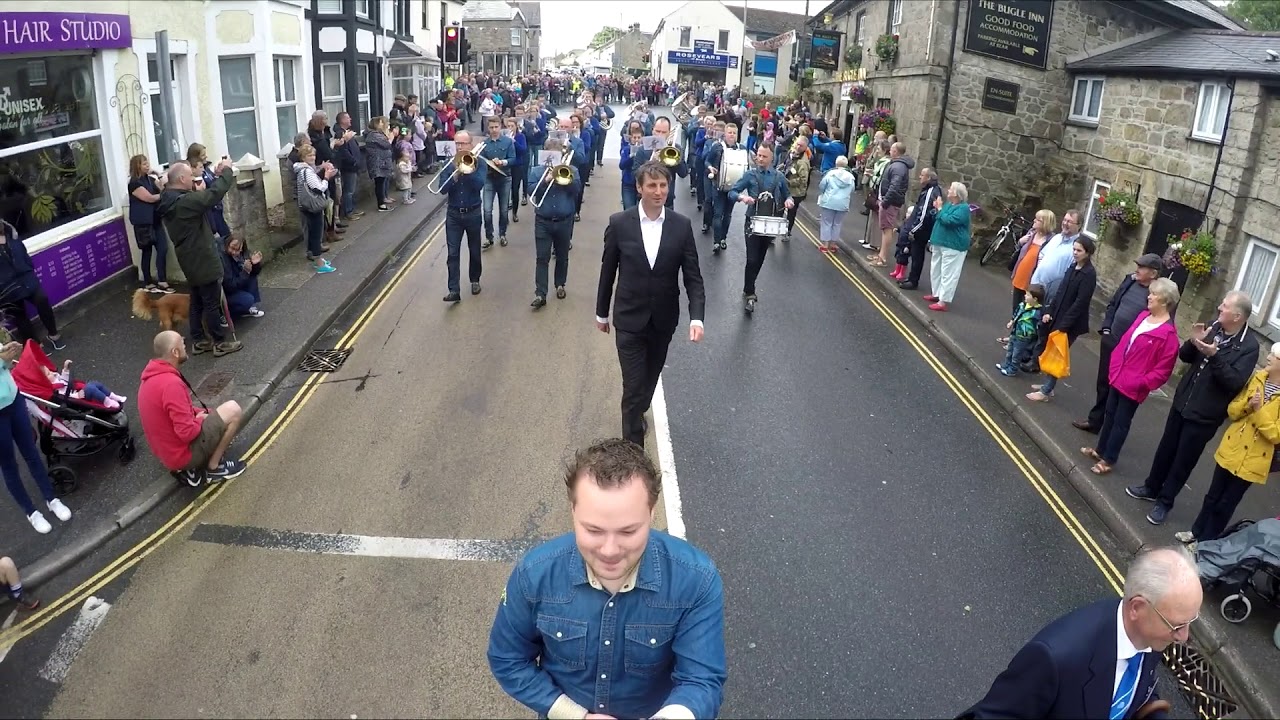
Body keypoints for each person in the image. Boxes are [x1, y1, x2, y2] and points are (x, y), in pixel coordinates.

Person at [487, 439, 726, 720]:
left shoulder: (696, 579)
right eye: (593, 530)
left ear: (651, 513)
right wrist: (572, 714)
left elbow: (701, 679)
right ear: (573, 511)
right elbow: (508, 658)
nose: (610, 550)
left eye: (628, 532)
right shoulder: (534, 573)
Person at [960, 545, 1199, 720]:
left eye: (1191, 622)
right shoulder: (1054, 658)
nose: (1183, 636)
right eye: (1177, 626)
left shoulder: (1152, 638)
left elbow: (1139, 688)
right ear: (1137, 608)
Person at [1126, 291, 1260, 526]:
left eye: (1224, 306)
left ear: (1237, 316)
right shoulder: (1213, 326)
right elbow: (1185, 356)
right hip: (1183, 400)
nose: (1219, 308)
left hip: (1205, 414)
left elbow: (1234, 382)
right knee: (1166, 448)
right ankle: (1151, 487)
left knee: (1183, 460)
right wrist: (1192, 341)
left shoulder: (1249, 347)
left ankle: (1165, 502)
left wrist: (1215, 356)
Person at [596, 162, 706, 448]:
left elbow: (693, 277)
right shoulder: (620, 223)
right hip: (629, 321)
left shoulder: (681, 226)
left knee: (647, 385)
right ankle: (632, 457)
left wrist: (697, 318)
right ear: (639, 188)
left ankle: (638, 411)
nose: (659, 192)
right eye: (652, 186)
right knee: (632, 389)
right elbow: (608, 272)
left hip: (663, 321)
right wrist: (601, 312)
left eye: (663, 186)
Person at [1177, 342, 1280, 544]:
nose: (1267, 357)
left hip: (1253, 459)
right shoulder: (1257, 378)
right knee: (1212, 497)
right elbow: (1233, 410)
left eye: (1273, 355)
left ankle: (1206, 544)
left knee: (1226, 504)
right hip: (1233, 447)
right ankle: (1196, 532)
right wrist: (1247, 405)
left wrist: (1258, 411)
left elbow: (1276, 434)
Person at [1084, 278, 1181, 475]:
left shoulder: (1168, 335)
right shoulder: (1143, 316)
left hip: (1133, 386)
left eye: (1154, 294)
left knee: (1121, 422)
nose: (1149, 296)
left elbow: (1162, 371)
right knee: (1109, 414)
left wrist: (1141, 383)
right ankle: (1100, 450)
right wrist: (1114, 365)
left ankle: (1109, 459)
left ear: (1164, 301)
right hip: (1118, 376)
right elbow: (1125, 342)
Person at [158, 159, 243, 357]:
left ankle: (199, 341)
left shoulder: (169, 199)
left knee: (197, 299)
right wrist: (227, 172)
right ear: (181, 179)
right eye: (190, 177)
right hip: (201, 257)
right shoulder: (184, 203)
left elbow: (202, 196)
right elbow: (212, 196)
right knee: (211, 302)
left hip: (188, 258)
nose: (194, 180)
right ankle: (219, 343)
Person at [137, 330, 245, 484]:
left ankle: (191, 471)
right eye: (182, 343)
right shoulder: (171, 384)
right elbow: (187, 433)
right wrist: (201, 420)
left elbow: (180, 412)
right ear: (175, 352)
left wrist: (205, 414)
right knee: (233, 410)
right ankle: (214, 469)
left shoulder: (151, 379)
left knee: (213, 415)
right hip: (182, 456)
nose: (185, 345)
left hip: (168, 454)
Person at [1073, 254, 1164, 434]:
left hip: (1131, 351)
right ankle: (1095, 421)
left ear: (1153, 273)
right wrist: (1106, 329)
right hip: (1111, 339)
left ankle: (1109, 428)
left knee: (1118, 389)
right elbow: (1113, 304)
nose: (1137, 269)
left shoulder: (1157, 295)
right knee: (1103, 382)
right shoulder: (1129, 281)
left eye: (1142, 267)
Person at [0, 337, 70, 534]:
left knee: (31, 452)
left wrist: (8, 357)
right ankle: (31, 512)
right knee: (9, 466)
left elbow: (4, 367)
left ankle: (51, 499)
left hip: (13, 401)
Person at [1027, 236, 1097, 400]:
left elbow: (1081, 303)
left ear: (1088, 253)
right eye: (1074, 249)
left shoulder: (1089, 274)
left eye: (1079, 250)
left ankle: (1045, 391)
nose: (1075, 253)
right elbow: (1060, 292)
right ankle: (1047, 386)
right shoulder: (1073, 267)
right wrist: (1049, 311)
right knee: (1050, 350)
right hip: (1058, 315)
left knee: (1057, 355)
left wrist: (1064, 325)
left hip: (1070, 323)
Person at [727, 145, 793, 315]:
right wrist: (743, 197)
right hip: (752, 222)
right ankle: (750, 292)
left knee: (760, 259)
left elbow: (788, 195)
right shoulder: (750, 174)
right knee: (752, 258)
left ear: (772, 158)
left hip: (770, 222)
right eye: (758, 155)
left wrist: (789, 201)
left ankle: (749, 285)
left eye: (764, 156)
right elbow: (732, 192)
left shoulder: (779, 177)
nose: (760, 159)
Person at [528, 138, 583, 308]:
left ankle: (560, 285)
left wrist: (564, 179)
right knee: (542, 257)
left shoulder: (571, 169)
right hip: (543, 221)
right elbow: (530, 191)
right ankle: (540, 293)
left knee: (562, 256)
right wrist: (546, 180)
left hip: (564, 220)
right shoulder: (537, 171)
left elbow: (577, 191)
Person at [436, 130, 488, 303]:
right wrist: (455, 174)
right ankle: (454, 289)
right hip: (453, 214)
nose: (459, 146)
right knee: (452, 253)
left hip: (473, 212)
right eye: (456, 143)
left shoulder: (479, 163)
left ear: (470, 145)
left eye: (463, 143)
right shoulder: (448, 163)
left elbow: (479, 185)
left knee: (474, 250)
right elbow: (442, 189)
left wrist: (468, 170)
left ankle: (475, 280)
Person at [0, 220, 65, 350]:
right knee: (20, 317)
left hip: (27, 279)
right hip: (7, 288)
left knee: (42, 300)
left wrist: (28, 269)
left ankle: (53, 335)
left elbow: (24, 255)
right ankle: (37, 346)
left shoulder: (11, 235)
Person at [922, 181, 972, 312]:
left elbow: (949, 221)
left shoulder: (963, 208)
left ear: (956, 193)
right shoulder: (949, 204)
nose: (948, 190)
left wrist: (939, 209)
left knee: (948, 273)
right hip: (940, 242)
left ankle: (943, 301)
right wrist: (937, 210)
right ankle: (936, 293)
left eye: (951, 189)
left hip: (953, 245)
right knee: (936, 269)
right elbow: (940, 217)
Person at [127, 154, 173, 295]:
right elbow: (150, 198)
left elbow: (161, 189)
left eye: (148, 163)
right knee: (147, 251)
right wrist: (165, 195)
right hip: (143, 223)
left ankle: (162, 280)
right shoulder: (134, 183)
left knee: (163, 249)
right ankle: (147, 281)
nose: (148, 165)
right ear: (137, 166)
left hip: (156, 220)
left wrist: (158, 175)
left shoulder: (149, 179)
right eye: (144, 164)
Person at [292, 145, 339, 274]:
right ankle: (319, 263)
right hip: (313, 206)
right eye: (309, 155)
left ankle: (316, 259)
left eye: (313, 155)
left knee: (313, 232)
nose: (312, 157)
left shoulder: (303, 170)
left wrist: (322, 170)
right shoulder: (307, 171)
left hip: (306, 206)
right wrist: (327, 177)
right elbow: (319, 188)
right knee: (316, 234)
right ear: (303, 157)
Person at [895, 167, 941, 287]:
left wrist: (913, 230)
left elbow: (924, 213)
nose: (920, 177)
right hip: (920, 229)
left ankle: (913, 281)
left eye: (922, 175)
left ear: (929, 178)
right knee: (916, 255)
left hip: (921, 231)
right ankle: (911, 279)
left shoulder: (931, 192)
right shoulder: (929, 190)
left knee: (917, 256)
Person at [631, 117, 689, 211]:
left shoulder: (675, 148)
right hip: (646, 200)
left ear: (669, 133)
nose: (660, 135)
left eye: (663, 132)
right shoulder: (643, 149)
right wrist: (651, 161)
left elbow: (683, 173)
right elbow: (635, 173)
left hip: (667, 202)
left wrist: (677, 159)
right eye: (657, 131)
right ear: (652, 130)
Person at [871, 142, 914, 267]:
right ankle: (880, 254)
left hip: (890, 202)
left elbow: (894, 186)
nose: (889, 151)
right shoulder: (897, 165)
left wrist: (885, 202)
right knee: (885, 228)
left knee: (887, 229)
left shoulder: (898, 167)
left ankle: (882, 258)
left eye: (892, 150)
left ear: (896, 152)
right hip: (889, 201)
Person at [703, 122, 742, 252]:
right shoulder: (717, 147)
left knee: (728, 215)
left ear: (737, 134)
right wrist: (710, 168)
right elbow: (707, 160)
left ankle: (723, 238)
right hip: (718, 185)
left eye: (734, 133)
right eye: (729, 132)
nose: (731, 135)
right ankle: (716, 241)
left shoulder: (741, 149)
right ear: (725, 134)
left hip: (732, 188)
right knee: (718, 214)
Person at [479, 116, 516, 248]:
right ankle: (489, 237)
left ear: (500, 127)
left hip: (504, 178)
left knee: (504, 210)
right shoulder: (484, 144)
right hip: (489, 179)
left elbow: (513, 159)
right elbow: (480, 162)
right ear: (488, 128)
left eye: (496, 127)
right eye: (491, 127)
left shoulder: (508, 142)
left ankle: (502, 234)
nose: (494, 130)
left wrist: (502, 162)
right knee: (487, 210)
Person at [997, 284, 1045, 377]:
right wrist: (1011, 321)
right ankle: (1006, 364)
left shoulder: (1037, 312)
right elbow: (1016, 313)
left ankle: (1012, 369)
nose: (1025, 296)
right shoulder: (1023, 305)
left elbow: (1039, 326)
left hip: (1024, 337)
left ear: (1035, 299)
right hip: (1015, 332)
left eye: (1027, 295)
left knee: (1017, 354)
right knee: (1010, 350)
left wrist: (1032, 334)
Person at [815, 156, 856, 254]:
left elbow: (822, 185)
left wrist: (825, 192)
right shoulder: (850, 177)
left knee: (826, 222)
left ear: (836, 164)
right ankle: (833, 245)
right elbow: (852, 189)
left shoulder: (830, 174)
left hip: (829, 201)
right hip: (843, 203)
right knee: (837, 224)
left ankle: (825, 245)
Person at [220, 236, 264, 318]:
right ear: (227, 245)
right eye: (232, 248)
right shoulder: (223, 258)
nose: (234, 252)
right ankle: (225, 315)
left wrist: (254, 264)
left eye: (237, 250)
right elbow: (230, 285)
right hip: (226, 292)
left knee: (252, 276)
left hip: (236, 284)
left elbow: (253, 273)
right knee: (248, 300)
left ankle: (248, 308)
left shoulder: (242, 254)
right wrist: (245, 272)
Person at [781, 136, 811, 240]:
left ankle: (787, 232)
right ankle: (776, 231)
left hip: (796, 193)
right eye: (797, 144)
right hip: (785, 188)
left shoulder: (803, 162)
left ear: (805, 147)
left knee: (791, 213)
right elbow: (786, 164)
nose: (798, 147)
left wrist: (789, 182)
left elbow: (803, 180)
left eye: (801, 145)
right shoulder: (792, 153)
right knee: (779, 209)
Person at [619, 124, 644, 211]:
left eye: (639, 137)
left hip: (642, 184)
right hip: (628, 183)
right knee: (628, 210)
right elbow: (621, 165)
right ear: (631, 138)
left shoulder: (646, 151)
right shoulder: (626, 149)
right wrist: (631, 157)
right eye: (634, 137)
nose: (636, 140)